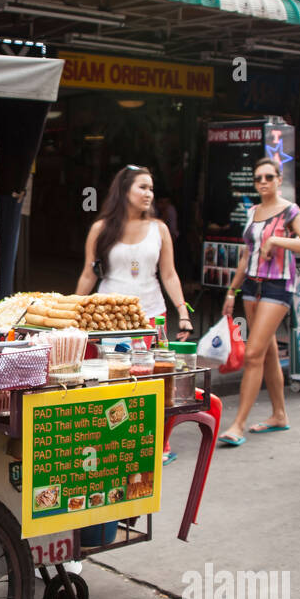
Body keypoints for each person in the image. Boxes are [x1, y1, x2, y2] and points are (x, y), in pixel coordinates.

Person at [76, 166, 192, 466]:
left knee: (155, 381)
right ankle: (112, 442)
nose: (149, 194)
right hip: (109, 318)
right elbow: (89, 275)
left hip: (151, 316)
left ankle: (159, 444)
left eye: (151, 188)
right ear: (125, 190)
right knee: (110, 381)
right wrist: (73, 311)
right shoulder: (101, 229)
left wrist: (183, 311)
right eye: (142, 187)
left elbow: (169, 274)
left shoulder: (160, 229)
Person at [218, 158, 300, 446]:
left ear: (278, 179)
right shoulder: (252, 211)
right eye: (258, 178)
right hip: (252, 285)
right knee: (269, 350)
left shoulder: (290, 211)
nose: (262, 182)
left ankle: (238, 425)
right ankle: (279, 414)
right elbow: (246, 255)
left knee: (253, 355)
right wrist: (231, 291)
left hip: (278, 286)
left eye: (268, 177)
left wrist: (277, 242)